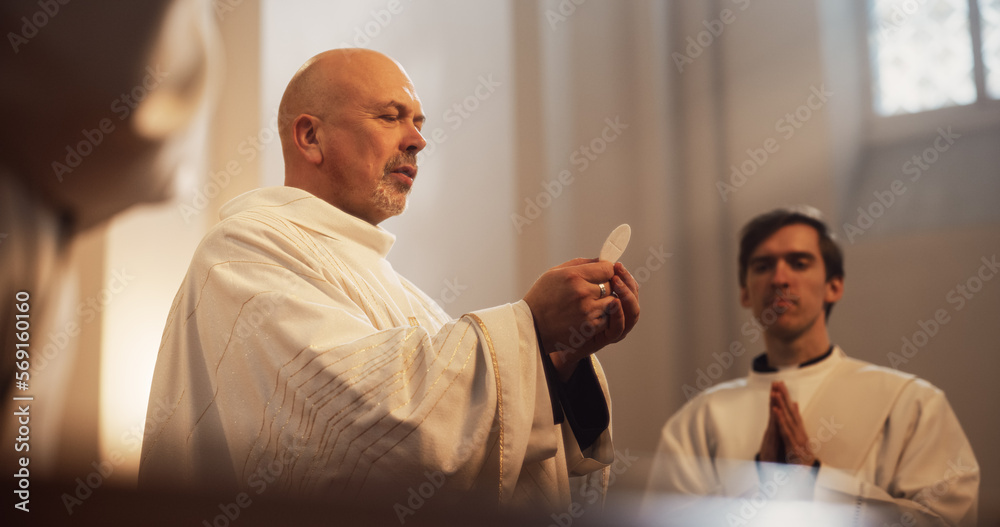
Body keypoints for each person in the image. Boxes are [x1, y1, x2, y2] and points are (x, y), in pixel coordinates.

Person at [138, 49, 640, 513]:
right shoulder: (245, 252)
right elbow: (355, 431)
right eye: (391, 116)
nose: (418, 139)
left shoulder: (400, 291)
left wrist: (557, 360)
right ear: (310, 136)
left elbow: (493, 455)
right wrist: (531, 324)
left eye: (418, 122)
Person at [645, 207, 978, 526]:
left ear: (834, 286)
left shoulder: (911, 402)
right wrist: (761, 478)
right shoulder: (699, 418)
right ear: (745, 293)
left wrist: (816, 481)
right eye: (762, 266)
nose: (779, 278)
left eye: (799, 263)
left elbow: (947, 521)